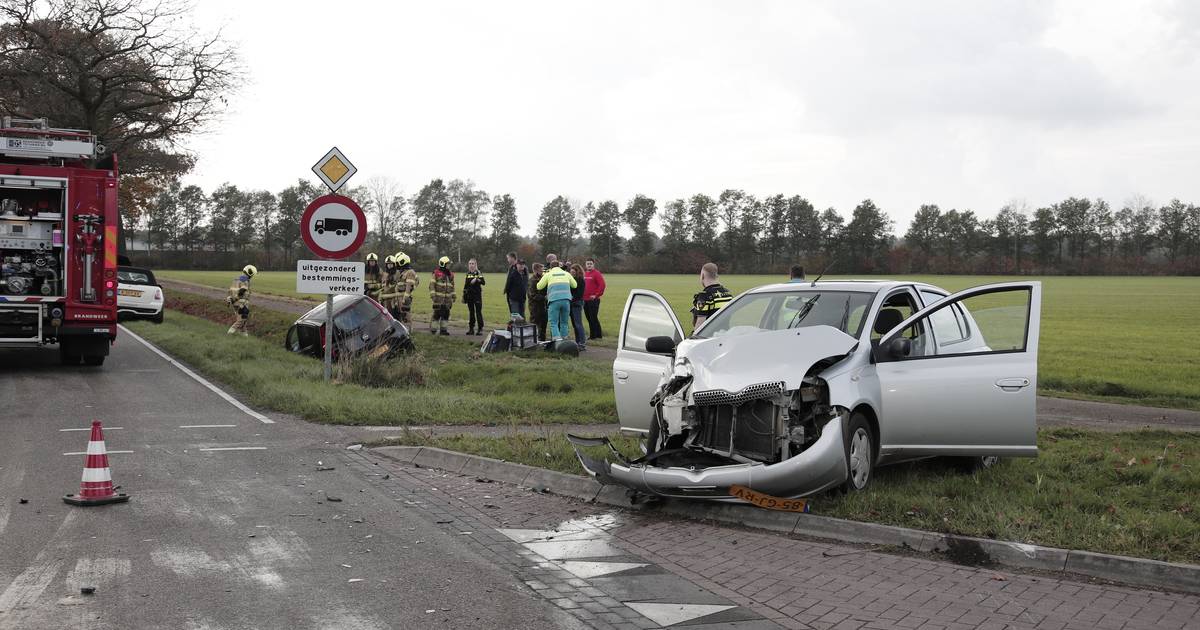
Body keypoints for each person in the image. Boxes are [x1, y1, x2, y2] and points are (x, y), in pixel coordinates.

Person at [535, 256, 576, 342]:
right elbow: (574, 285)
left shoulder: (548, 274)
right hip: (566, 300)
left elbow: (539, 286)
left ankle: (557, 340)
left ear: (551, 267)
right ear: (559, 266)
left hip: (554, 301)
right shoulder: (566, 274)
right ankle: (564, 339)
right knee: (564, 322)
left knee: (553, 322)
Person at [691, 262, 734, 330]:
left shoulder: (704, 296)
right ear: (716, 275)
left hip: (710, 337)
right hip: (725, 334)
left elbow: (700, 324)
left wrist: (692, 339)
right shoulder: (728, 294)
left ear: (703, 275)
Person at [226, 264, 256, 336]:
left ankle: (244, 334)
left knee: (243, 319)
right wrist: (235, 298)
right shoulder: (245, 280)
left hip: (234, 302)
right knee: (241, 319)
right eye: (252, 275)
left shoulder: (236, 279)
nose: (252, 276)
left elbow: (230, 290)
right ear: (250, 273)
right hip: (241, 302)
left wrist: (231, 299)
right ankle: (230, 333)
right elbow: (242, 291)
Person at [429, 255, 456, 335]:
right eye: (448, 264)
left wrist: (454, 296)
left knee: (446, 315)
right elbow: (432, 285)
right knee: (436, 315)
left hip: (447, 300)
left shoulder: (450, 275)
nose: (449, 265)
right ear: (443, 264)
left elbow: (452, 286)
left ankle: (443, 331)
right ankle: (433, 330)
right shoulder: (436, 273)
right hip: (438, 299)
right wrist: (433, 296)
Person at [393, 252, 419, 325]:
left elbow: (408, 287)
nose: (396, 264)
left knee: (405, 314)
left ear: (403, 262)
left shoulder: (410, 272)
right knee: (399, 314)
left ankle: (408, 331)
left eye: (398, 263)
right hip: (398, 297)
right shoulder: (402, 272)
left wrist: (405, 298)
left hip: (404, 297)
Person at [583, 258, 606, 340]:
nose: (589, 265)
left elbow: (602, 285)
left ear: (593, 265)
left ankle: (598, 335)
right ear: (585, 265)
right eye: (587, 264)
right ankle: (593, 335)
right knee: (589, 318)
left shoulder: (596, 273)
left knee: (593, 318)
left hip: (593, 300)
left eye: (590, 264)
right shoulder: (585, 274)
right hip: (585, 300)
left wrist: (596, 295)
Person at [463, 258, 486, 335]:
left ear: (475, 265)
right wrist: (464, 296)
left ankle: (480, 329)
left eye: (472, 264)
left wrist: (476, 279)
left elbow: (483, 282)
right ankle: (471, 329)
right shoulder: (468, 273)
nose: (471, 265)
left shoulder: (478, 273)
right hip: (469, 296)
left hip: (477, 296)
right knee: (471, 312)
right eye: (470, 264)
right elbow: (465, 285)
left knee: (478, 312)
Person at [502, 251, 527, 318]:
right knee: (513, 313)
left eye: (508, 258)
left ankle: (519, 327)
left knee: (519, 314)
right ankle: (513, 325)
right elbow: (509, 281)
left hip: (518, 295)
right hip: (510, 293)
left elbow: (524, 282)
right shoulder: (511, 267)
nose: (507, 260)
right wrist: (506, 290)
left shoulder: (522, 269)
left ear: (512, 258)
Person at [527, 262, 548, 341]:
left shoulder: (543, 279)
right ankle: (532, 341)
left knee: (544, 324)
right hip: (535, 307)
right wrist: (544, 298)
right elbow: (532, 295)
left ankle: (542, 341)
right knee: (535, 324)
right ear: (536, 270)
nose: (543, 272)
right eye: (541, 270)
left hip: (543, 306)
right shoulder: (532, 281)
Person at [569, 263, 587, 350]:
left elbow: (579, 294)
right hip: (571, 304)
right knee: (574, 324)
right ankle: (577, 342)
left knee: (578, 324)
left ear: (577, 271)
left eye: (573, 270)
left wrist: (571, 299)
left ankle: (582, 343)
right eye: (571, 270)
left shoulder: (580, 280)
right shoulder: (571, 279)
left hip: (577, 304)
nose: (571, 272)